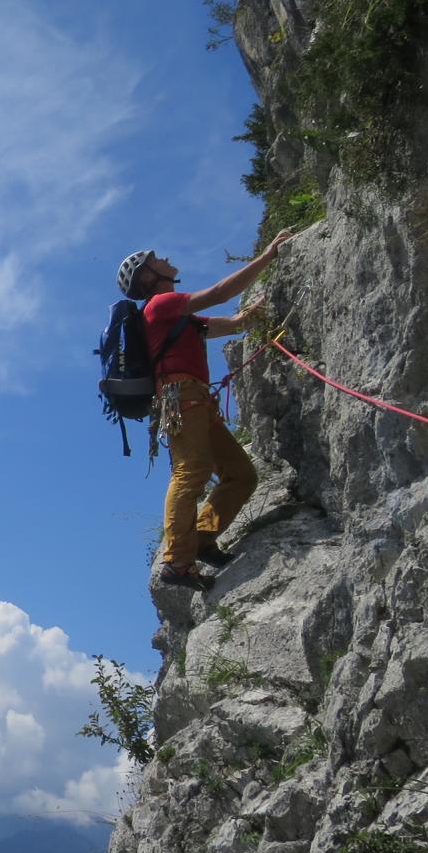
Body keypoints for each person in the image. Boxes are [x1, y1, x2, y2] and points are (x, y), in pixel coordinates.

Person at [115, 232, 292, 591]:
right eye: (156, 258)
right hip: (182, 399)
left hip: (195, 401)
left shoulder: (175, 317)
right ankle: (177, 561)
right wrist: (268, 256)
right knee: (190, 472)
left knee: (241, 474)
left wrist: (249, 316)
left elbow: (228, 322)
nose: (163, 258)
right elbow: (218, 295)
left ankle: (203, 539)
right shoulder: (159, 305)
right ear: (148, 276)